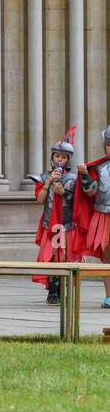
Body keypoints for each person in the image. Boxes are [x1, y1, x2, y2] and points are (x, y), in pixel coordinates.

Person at [29, 130, 79, 305]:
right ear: (52, 157)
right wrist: (48, 182)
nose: (59, 159)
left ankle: (66, 290)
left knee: (66, 257)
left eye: (63, 157)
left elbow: (78, 203)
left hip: (67, 224)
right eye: (57, 156)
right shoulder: (43, 177)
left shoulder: (73, 179)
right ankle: (52, 290)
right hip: (50, 224)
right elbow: (39, 199)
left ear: (68, 160)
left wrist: (63, 192)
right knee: (50, 257)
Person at [76, 126, 110, 308]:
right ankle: (109, 297)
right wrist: (84, 175)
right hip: (104, 216)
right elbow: (91, 192)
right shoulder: (99, 168)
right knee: (107, 258)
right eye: (109, 144)